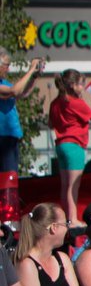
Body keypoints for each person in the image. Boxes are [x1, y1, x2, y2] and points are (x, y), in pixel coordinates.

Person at [48, 69, 91, 225]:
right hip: (74, 145)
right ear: (73, 85)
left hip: (61, 144)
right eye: (81, 84)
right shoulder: (76, 103)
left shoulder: (55, 103)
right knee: (73, 186)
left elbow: (50, 123)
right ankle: (72, 219)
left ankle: (65, 218)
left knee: (65, 186)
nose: (83, 87)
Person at [0, 55, 45, 207]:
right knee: (7, 177)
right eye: (6, 64)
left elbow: (21, 93)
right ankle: (7, 211)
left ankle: (8, 210)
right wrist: (30, 68)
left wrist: (34, 77)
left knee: (10, 177)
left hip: (9, 137)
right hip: (2, 137)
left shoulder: (4, 83)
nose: (8, 68)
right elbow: (14, 90)